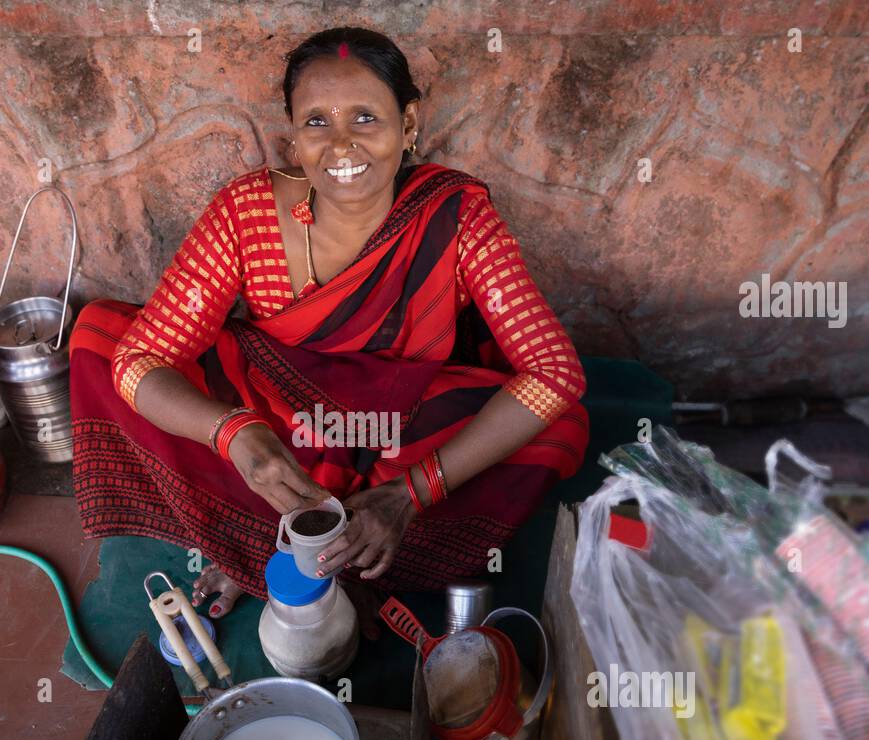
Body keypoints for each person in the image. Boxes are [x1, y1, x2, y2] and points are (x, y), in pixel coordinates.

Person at [68, 26, 588, 626]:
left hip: (400, 425)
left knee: (559, 425)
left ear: (409, 125)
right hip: (281, 420)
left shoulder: (457, 217)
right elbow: (139, 362)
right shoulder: (247, 212)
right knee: (100, 340)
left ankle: (303, 547)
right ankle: (266, 548)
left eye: (365, 117)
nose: (340, 145)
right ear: (292, 136)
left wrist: (411, 493)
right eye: (316, 122)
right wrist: (236, 436)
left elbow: (553, 372)